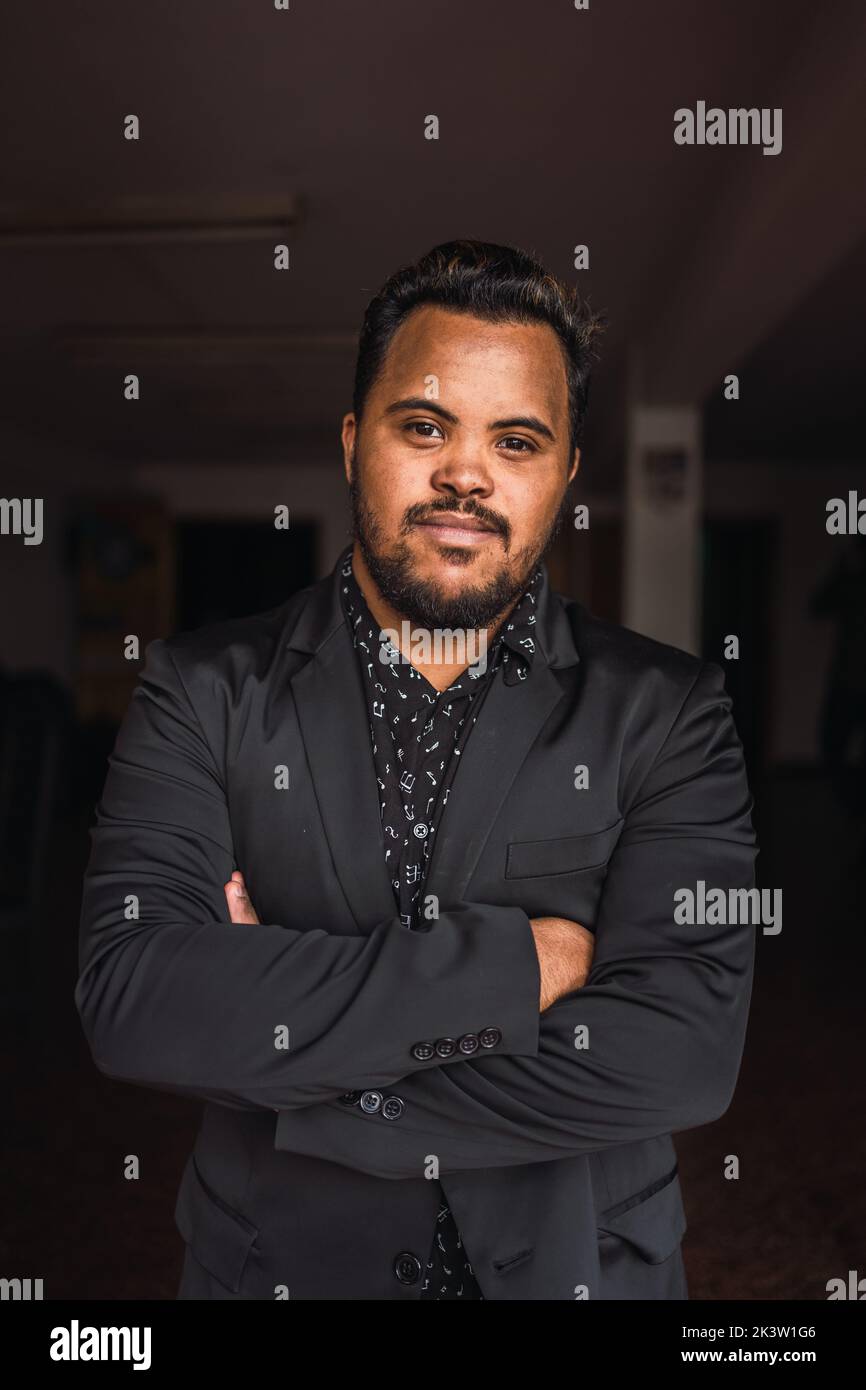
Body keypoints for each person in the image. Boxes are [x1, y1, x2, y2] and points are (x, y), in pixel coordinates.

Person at [76, 239, 757, 1300]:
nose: (465, 474)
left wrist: (297, 1077)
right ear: (355, 442)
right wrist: (517, 971)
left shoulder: (666, 710)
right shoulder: (202, 687)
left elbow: (678, 1055)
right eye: (424, 425)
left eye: (517, 440)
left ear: (566, 473)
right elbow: (138, 997)